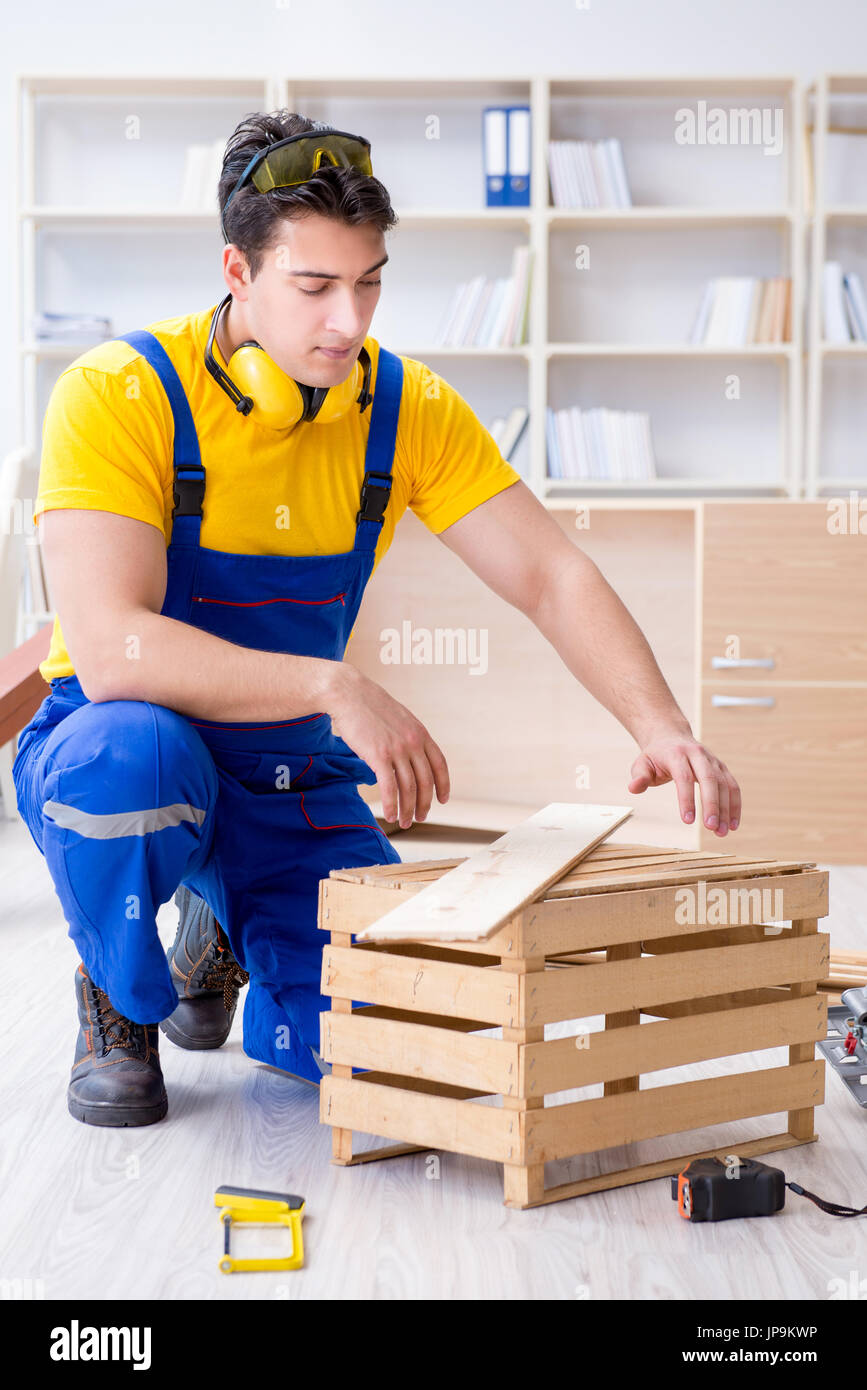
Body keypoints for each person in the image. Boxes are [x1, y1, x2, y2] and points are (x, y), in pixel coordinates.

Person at [13, 110, 741, 1128]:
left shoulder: (403, 410)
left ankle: (222, 929)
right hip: (121, 734)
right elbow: (114, 648)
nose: (348, 321)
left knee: (392, 1050)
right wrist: (331, 683)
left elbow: (551, 574)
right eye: (314, 287)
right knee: (129, 761)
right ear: (237, 268)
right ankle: (114, 991)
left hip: (281, 771)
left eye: (369, 282)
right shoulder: (122, 394)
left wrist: (659, 723)